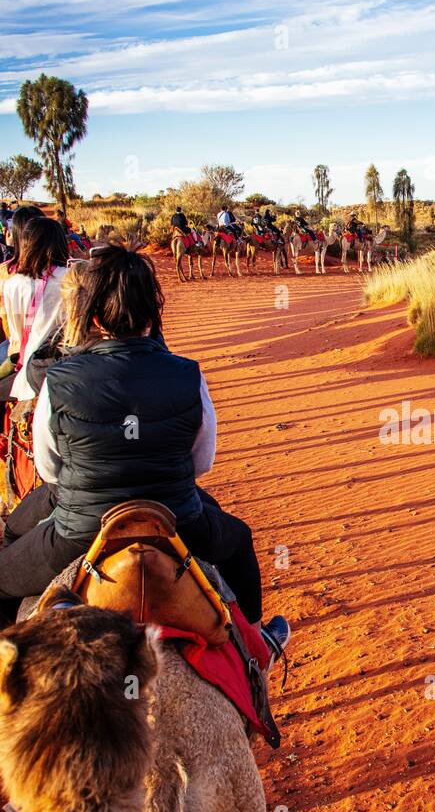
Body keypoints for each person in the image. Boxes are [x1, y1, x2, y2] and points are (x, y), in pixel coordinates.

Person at [0, 245, 288, 657]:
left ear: (93, 317)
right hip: (179, 519)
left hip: (79, 529)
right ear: (153, 314)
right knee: (239, 542)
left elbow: (48, 469)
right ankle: (260, 646)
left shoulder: (58, 378)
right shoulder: (188, 373)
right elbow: (201, 462)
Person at [0, 214, 68, 403]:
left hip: (31, 366)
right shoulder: (73, 278)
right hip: (68, 361)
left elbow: (16, 334)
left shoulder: (13, 284)